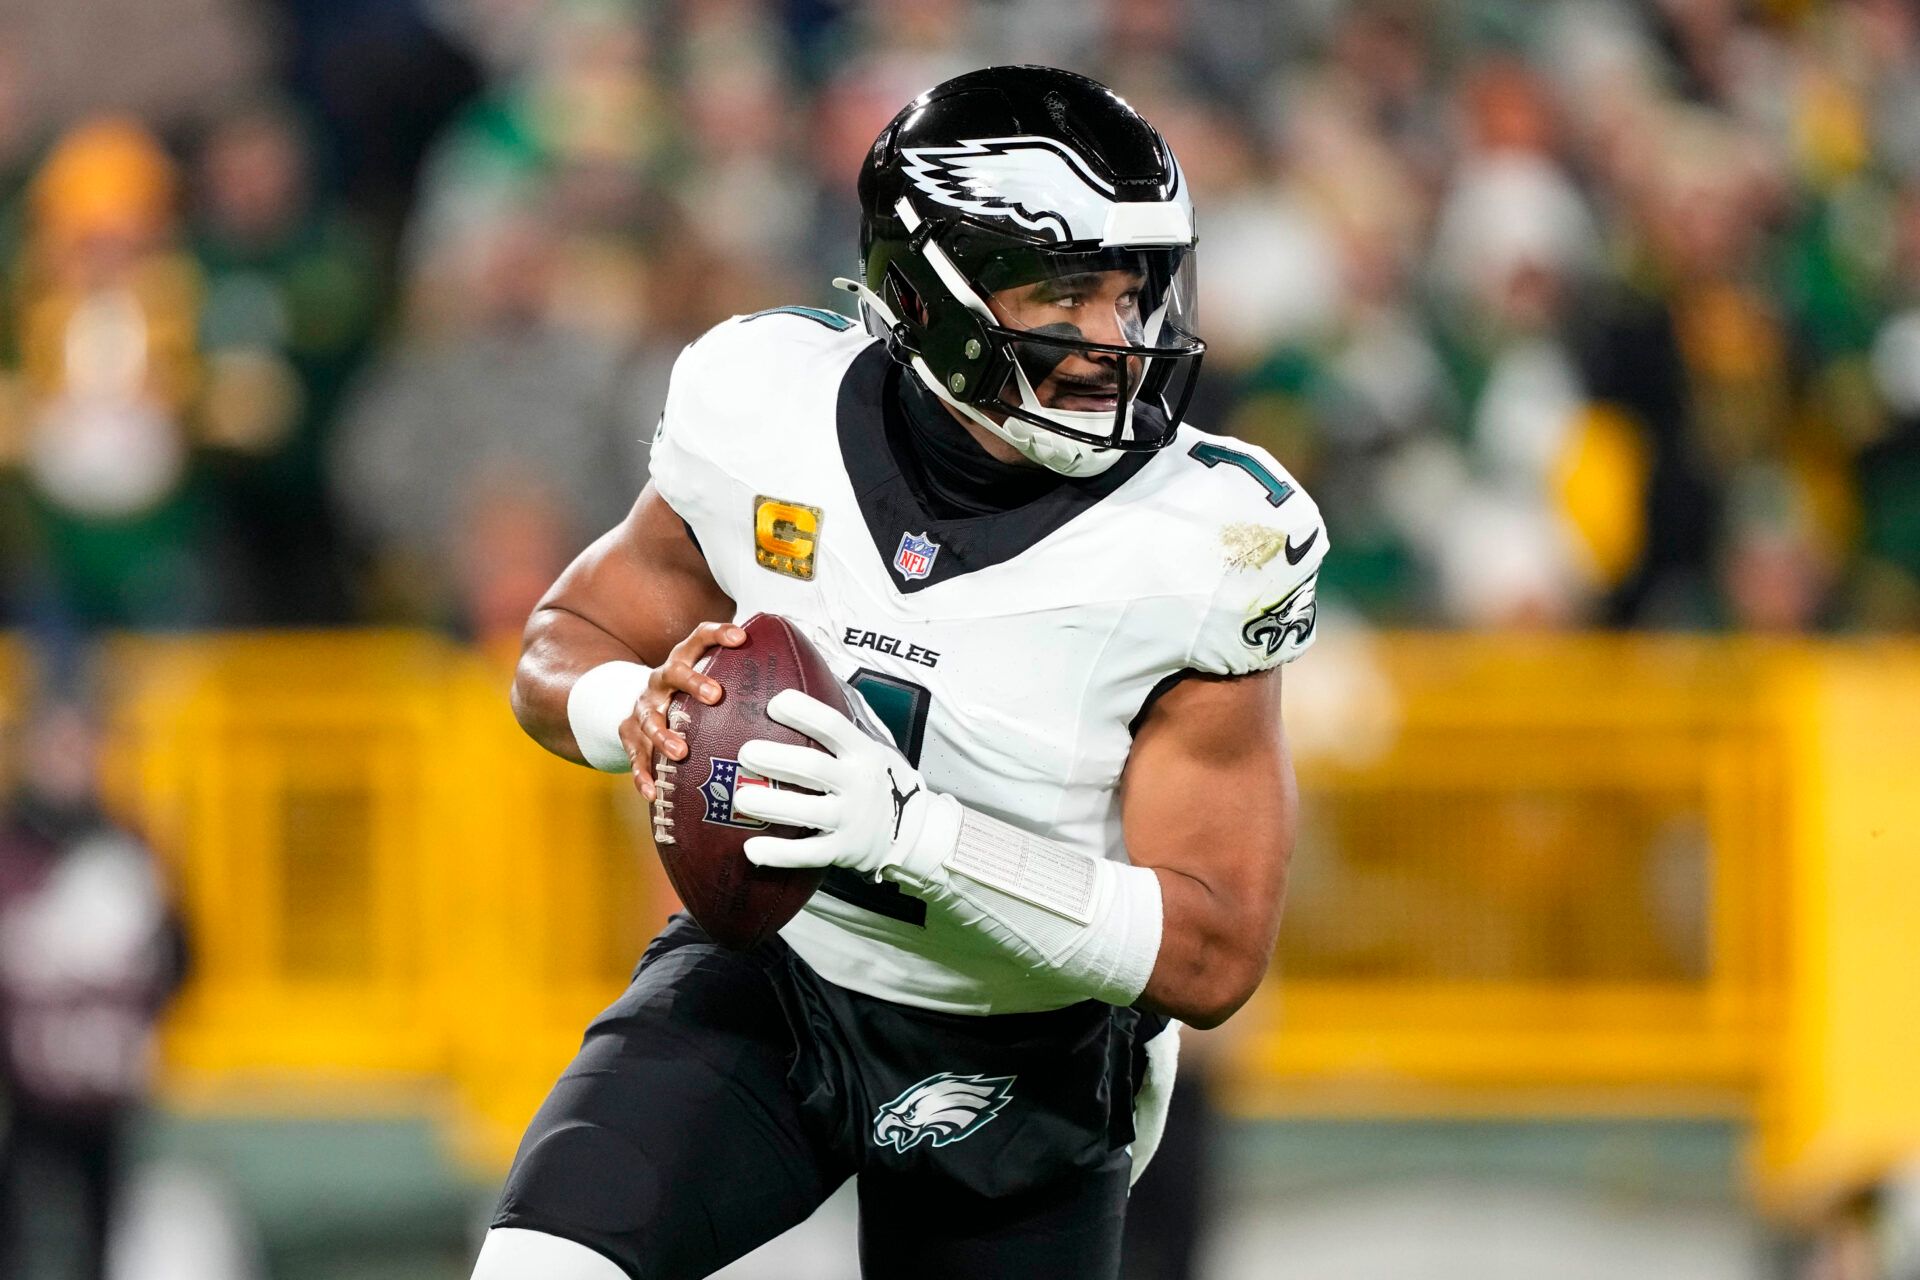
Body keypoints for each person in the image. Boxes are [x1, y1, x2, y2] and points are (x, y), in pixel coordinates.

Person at [473, 65, 1326, 1280]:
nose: (1114, 342)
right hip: (777, 972)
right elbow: (561, 643)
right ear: (925, 295)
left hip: (1026, 1045)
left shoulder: (1207, 538)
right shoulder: (765, 403)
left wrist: (918, 834)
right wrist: (637, 712)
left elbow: (1214, 950)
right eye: (1064, 293)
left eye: (1132, 292)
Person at [0, 692, 188, 1280]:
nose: (69, 763)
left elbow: (182, 955)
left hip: (106, 1092)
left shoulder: (127, 849)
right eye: (56, 748)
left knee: (100, 1242)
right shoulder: (10, 850)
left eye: (79, 747)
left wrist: (138, 1027)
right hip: (24, 1092)